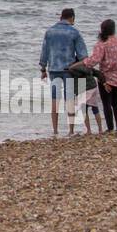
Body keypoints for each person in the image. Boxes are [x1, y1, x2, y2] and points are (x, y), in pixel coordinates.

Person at [70, 18, 117, 132]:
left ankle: (110, 128)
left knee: (107, 104)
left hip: (106, 78)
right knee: (116, 103)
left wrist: (78, 64)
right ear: (114, 30)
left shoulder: (101, 44)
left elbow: (93, 61)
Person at [39, 8, 87, 136]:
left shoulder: (49, 32)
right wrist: (77, 65)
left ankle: (55, 131)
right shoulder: (74, 32)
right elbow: (83, 56)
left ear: (61, 17)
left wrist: (43, 69)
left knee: (55, 100)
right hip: (69, 70)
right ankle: (70, 130)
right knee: (70, 100)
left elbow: (44, 52)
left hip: (53, 69)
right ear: (72, 18)